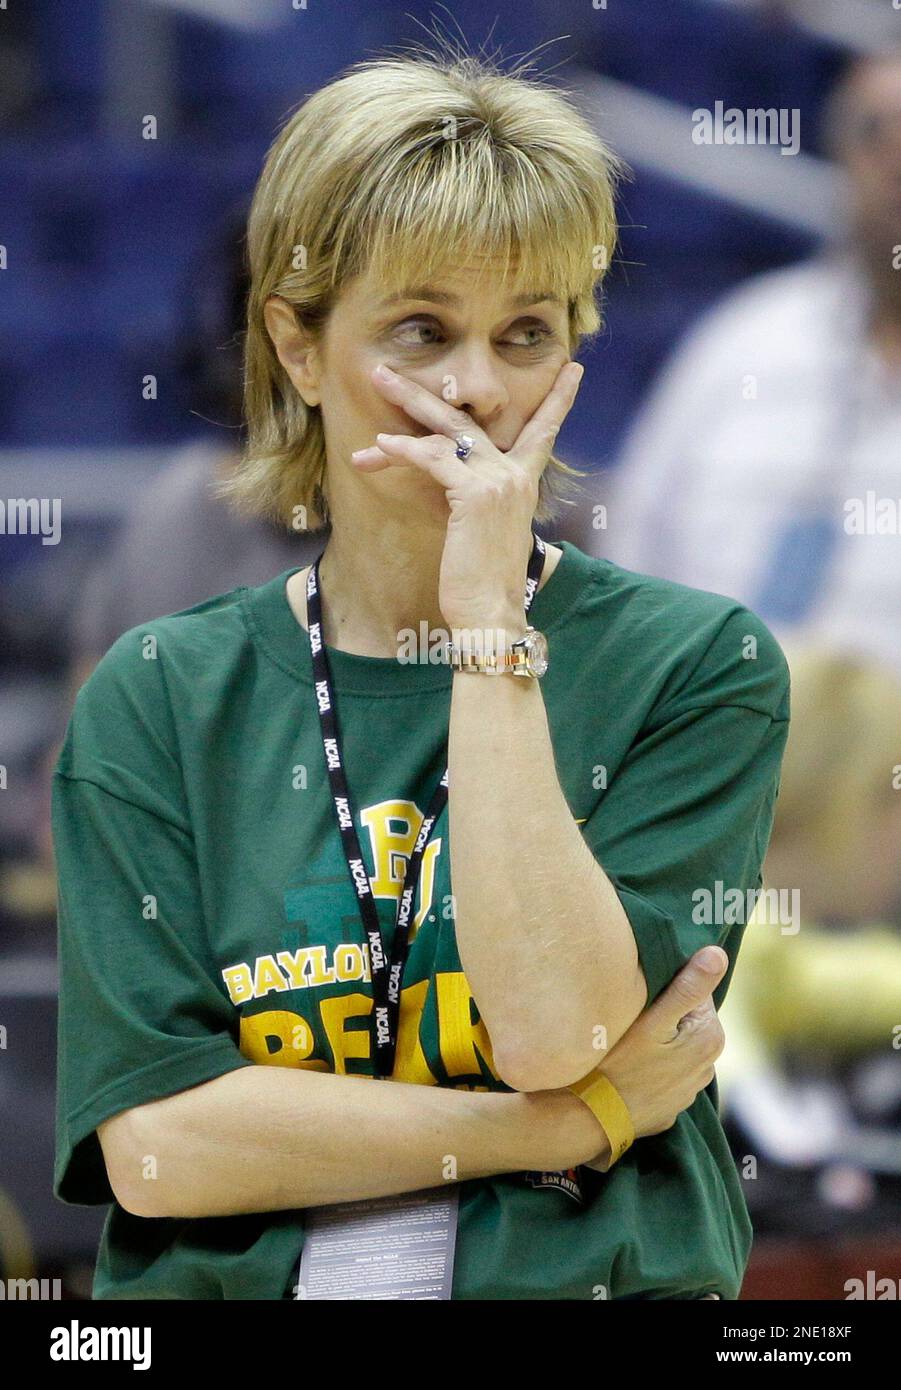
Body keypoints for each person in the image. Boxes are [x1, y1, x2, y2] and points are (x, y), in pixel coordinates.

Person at [52, 40, 789, 1300]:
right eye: (420, 330)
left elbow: (558, 1031)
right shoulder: (161, 689)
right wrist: (570, 1125)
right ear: (295, 347)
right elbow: (163, 1153)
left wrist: (488, 624)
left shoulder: (695, 664)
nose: (474, 390)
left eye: (525, 335)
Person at [593, 49, 901, 674]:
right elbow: (628, 573)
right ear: (841, 150)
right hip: (714, 744)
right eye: (877, 133)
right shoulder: (743, 341)